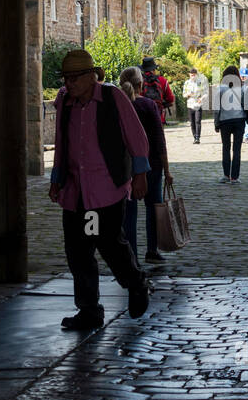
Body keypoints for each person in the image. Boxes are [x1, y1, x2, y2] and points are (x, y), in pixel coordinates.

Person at [48, 49, 151, 330]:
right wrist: (56, 178)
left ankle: (136, 283)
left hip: (105, 190)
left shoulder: (111, 97)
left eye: (75, 78)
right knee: (78, 251)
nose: (69, 83)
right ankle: (89, 310)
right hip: (76, 191)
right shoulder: (64, 102)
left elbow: (136, 136)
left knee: (108, 245)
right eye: (66, 78)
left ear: (91, 76)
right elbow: (61, 142)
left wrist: (140, 174)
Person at [118, 66, 171, 263]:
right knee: (153, 209)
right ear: (141, 85)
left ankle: (131, 254)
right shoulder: (148, 105)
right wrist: (167, 168)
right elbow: (159, 139)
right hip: (151, 165)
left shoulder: (117, 105)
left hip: (126, 165)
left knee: (129, 213)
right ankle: (152, 250)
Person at [213, 64, 246, 184]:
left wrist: (216, 123)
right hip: (239, 120)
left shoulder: (220, 89)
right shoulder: (241, 88)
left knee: (226, 148)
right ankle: (235, 177)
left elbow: (217, 109)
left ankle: (226, 175)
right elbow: (245, 105)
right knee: (237, 149)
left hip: (224, 121)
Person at [140, 56, 175, 124]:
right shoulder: (162, 80)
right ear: (154, 69)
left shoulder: (139, 80)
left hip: (142, 117)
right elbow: (170, 99)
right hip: (158, 116)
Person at [183, 67, 208, 144]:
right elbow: (183, 94)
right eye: (191, 75)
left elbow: (205, 93)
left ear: (196, 75)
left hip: (198, 104)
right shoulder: (187, 83)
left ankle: (197, 138)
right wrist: (188, 94)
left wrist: (202, 98)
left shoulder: (200, 82)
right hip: (190, 104)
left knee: (198, 121)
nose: (193, 76)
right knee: (192, 123)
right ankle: (194, 136)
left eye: (194, 75)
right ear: (189, 75)